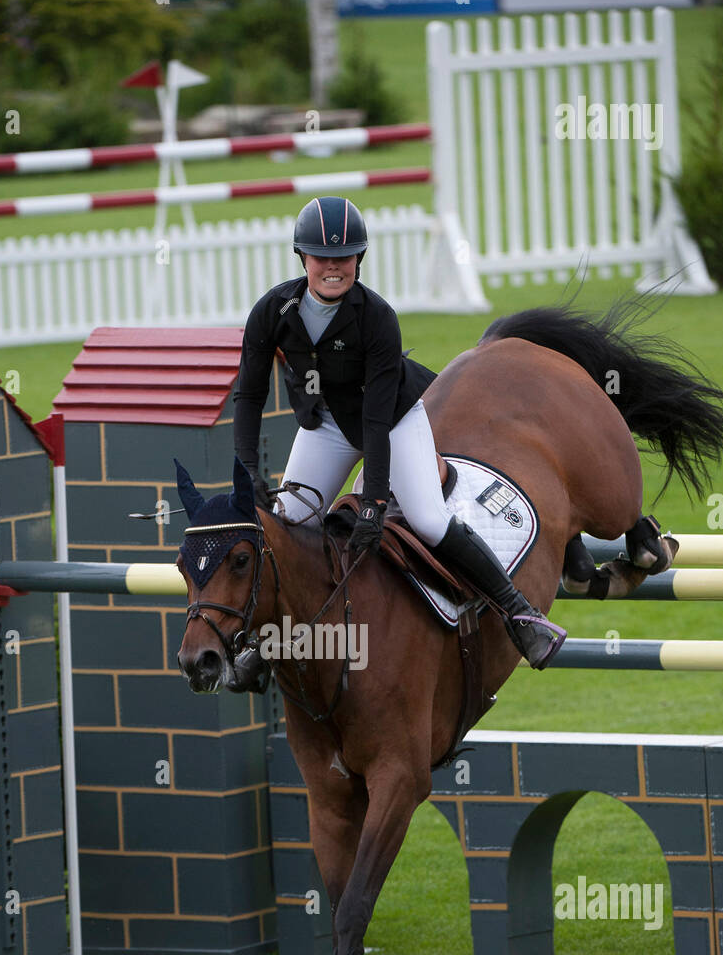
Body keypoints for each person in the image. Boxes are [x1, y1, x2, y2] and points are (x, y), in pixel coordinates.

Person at [232, 195, 564, 668]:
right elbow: (248, 397)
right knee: (287, 524)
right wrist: (246, 470)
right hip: (325, 424)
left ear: (359, 259)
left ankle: (520, 614)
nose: (333, 267)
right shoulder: (272, 312)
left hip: (392, 420)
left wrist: (375, 501)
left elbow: (376, 419)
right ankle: (268, 643)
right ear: (302, 258)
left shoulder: (377, 318)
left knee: (428, 519)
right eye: (322, 257)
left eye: (344, 257)